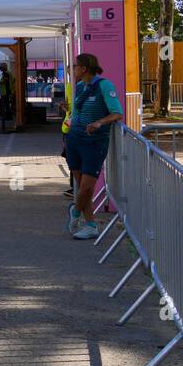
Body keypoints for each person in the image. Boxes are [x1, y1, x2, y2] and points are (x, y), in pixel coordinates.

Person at [66, 52, 124, 241]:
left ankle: (75, 213)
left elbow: (117, 113)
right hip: (75, 138)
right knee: (82, 186)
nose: (72, 69)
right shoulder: (80, 86)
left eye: (75, 66)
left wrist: (99, 122)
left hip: (94, 142)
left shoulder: (104, 85)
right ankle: (91, 225)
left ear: (84, 68)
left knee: (86, 187)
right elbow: (78, 111)